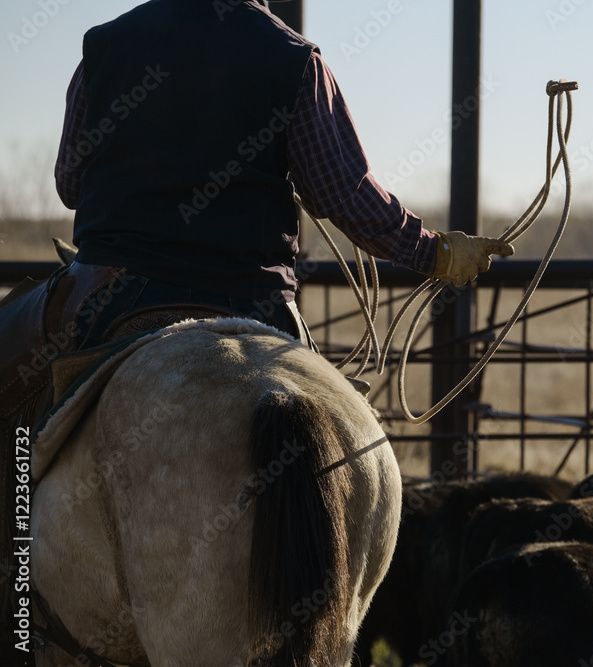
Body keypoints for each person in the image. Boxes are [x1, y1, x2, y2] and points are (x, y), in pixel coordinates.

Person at [0, 2, 510, 659]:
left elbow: (71, 182)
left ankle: (16, 607)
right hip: (258, 303)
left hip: (114, 297)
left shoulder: (107, 45)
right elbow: (349, 196)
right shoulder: (294, 59)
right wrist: (436, 254)